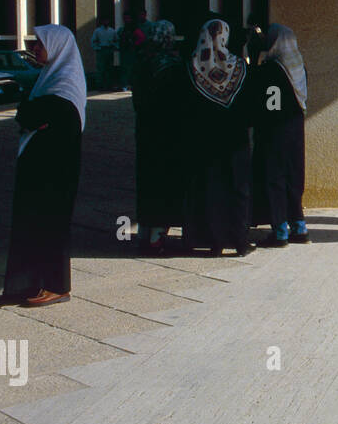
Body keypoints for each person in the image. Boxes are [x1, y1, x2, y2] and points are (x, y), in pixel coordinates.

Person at [3, 24, 86, 305]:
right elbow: (29, 116)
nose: (34, 49)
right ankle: (35, 283)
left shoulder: (62, 86)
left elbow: (28, 115)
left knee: (52, 226)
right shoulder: (50, 80)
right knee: (36, 225)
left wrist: (29, 113)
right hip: (42, 172)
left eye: (40, 44)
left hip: (54, 175)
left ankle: (56, 286)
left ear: (58, 48)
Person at [182, 19, 254, 257]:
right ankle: (240, 241)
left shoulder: (191, 67)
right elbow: (250, 105)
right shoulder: (240, 67)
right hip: (235, 138)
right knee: (238, 187)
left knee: (211, 188)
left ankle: (215, 240)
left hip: (204, 138)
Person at [252, 24, 309, 248]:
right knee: (294, 177)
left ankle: (280, 231)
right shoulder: (298, 66)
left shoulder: (271, 69)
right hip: (295, 129)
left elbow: (268, 105)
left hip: (274, 131)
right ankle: (299, 226)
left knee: (275, 178)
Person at [131, 20, 186, 254]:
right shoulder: (173, 65)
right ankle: (157, 238)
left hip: (146, 131)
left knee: (147, 184)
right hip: (168, 135)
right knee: (165, 186)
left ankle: (146, 235)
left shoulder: (142, 62)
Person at [89, 17, 117, 90]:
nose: (106, 22)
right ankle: (100, 85)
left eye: (107, 20)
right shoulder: (98, 31)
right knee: (101, 68)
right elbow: (93, 41)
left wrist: (114, 47)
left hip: (109, 50)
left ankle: (109, 85)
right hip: (101, 50)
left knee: (109, 68)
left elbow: (117, 40)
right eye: (104, 20)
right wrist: (97, 48)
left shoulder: (112, 31)